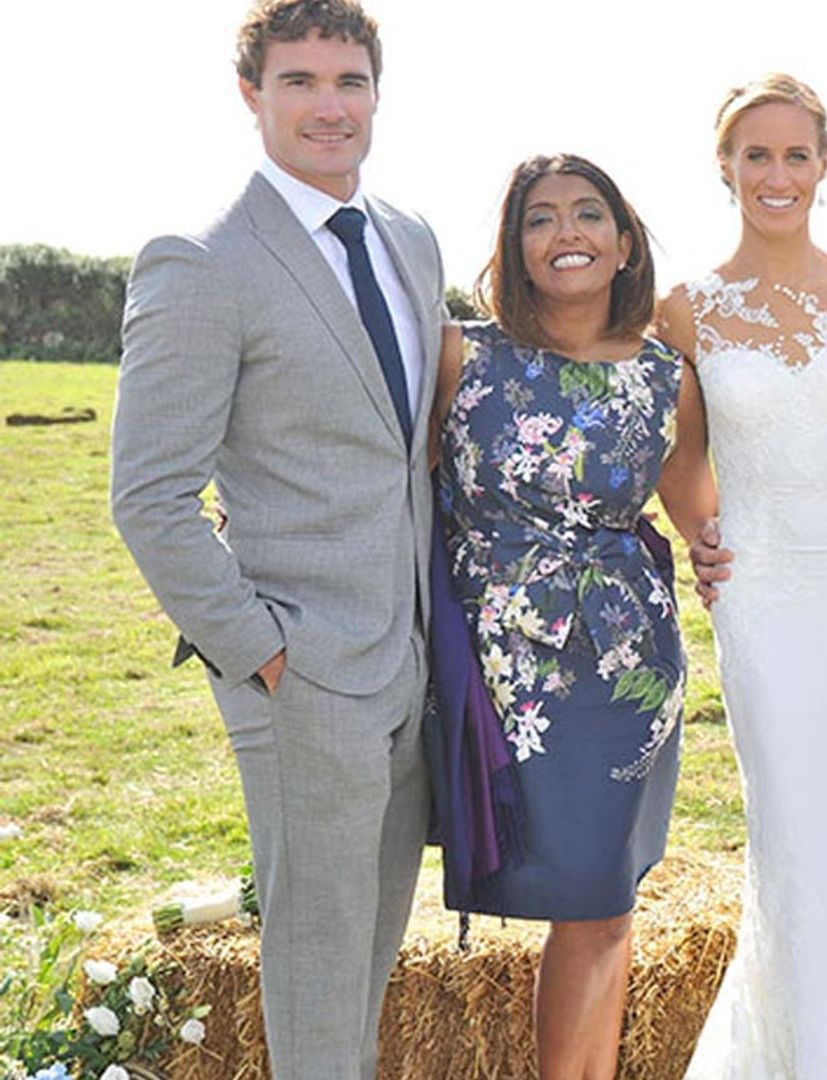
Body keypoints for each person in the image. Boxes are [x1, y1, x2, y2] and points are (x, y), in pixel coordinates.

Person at [108, 2, 440, 1077]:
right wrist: (262, 652)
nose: (328, 106)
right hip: (301, 675)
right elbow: (149, 495)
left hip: (408, 663)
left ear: (377, 93)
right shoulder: (203, 260)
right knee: (315, 962)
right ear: (251, 94)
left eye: (348, 81)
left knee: (372, 959)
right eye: (299, 81)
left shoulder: (408, 241)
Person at [653, 75, 827, 1077]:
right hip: (765, 596)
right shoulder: (684, 309)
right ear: (723, 166)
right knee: (798, 840)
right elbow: (679, 460)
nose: (778, 175)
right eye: (756, 155)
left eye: (796, 155)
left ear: (825, 164)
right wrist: (704, 539)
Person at [428, 153, 712, 1079]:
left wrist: (733, 549)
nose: (568, 234)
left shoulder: (668, 376)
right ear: (514, 247)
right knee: (577, 897)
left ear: (626, 242)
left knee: (602, 899)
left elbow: (696, 504)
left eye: (589, 214)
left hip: (623, 661)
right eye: (540, 218)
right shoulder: (461, 354)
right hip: (491, 661)